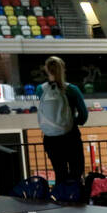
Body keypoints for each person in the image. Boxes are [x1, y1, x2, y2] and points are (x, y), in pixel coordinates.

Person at [37, 56, 89, 187]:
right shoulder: (72, 89)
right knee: (76, 172)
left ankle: (61, 201)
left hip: (51, 139)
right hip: (70, 137)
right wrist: (72, 122)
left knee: (60, 173)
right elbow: (83, 115)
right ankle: (77, 202)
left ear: (47, 70)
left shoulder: (40, 90)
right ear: (63, 69)